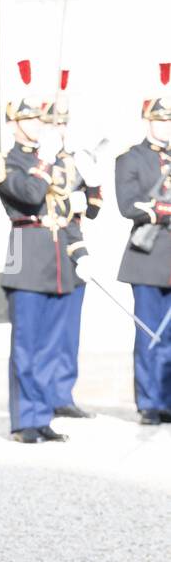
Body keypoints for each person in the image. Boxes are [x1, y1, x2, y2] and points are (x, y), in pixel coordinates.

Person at [0, 59, 74, 443]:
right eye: (30, 120)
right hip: (26, 251)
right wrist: (47, 164)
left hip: (55, 256)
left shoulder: (48, 158)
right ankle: (24, 420)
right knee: (26, 345)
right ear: (15, 124)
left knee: (51, 343)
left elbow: (70, 200)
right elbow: (32, 195)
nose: (38, 125)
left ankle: (43, 415)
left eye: (40, 119)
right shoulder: (5, 163)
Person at [43, 72, 102, 420]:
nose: (60, 130)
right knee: (43, 326)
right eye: (54, 124)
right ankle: (40, 392)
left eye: (63, 124)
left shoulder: (76, 158)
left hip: (73, 246)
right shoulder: (36, 161)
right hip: (40, 247)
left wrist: (91, 186)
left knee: (68, 326)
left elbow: (93, 211)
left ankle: (62, 392)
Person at [115, 64, 171, 425]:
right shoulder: (131, 158)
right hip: (149, 258)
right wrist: (162, 209)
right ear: (147, 120)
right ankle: (151, 402)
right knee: (152, 333)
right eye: (160, 120)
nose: (165, 126)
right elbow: (128, 204)